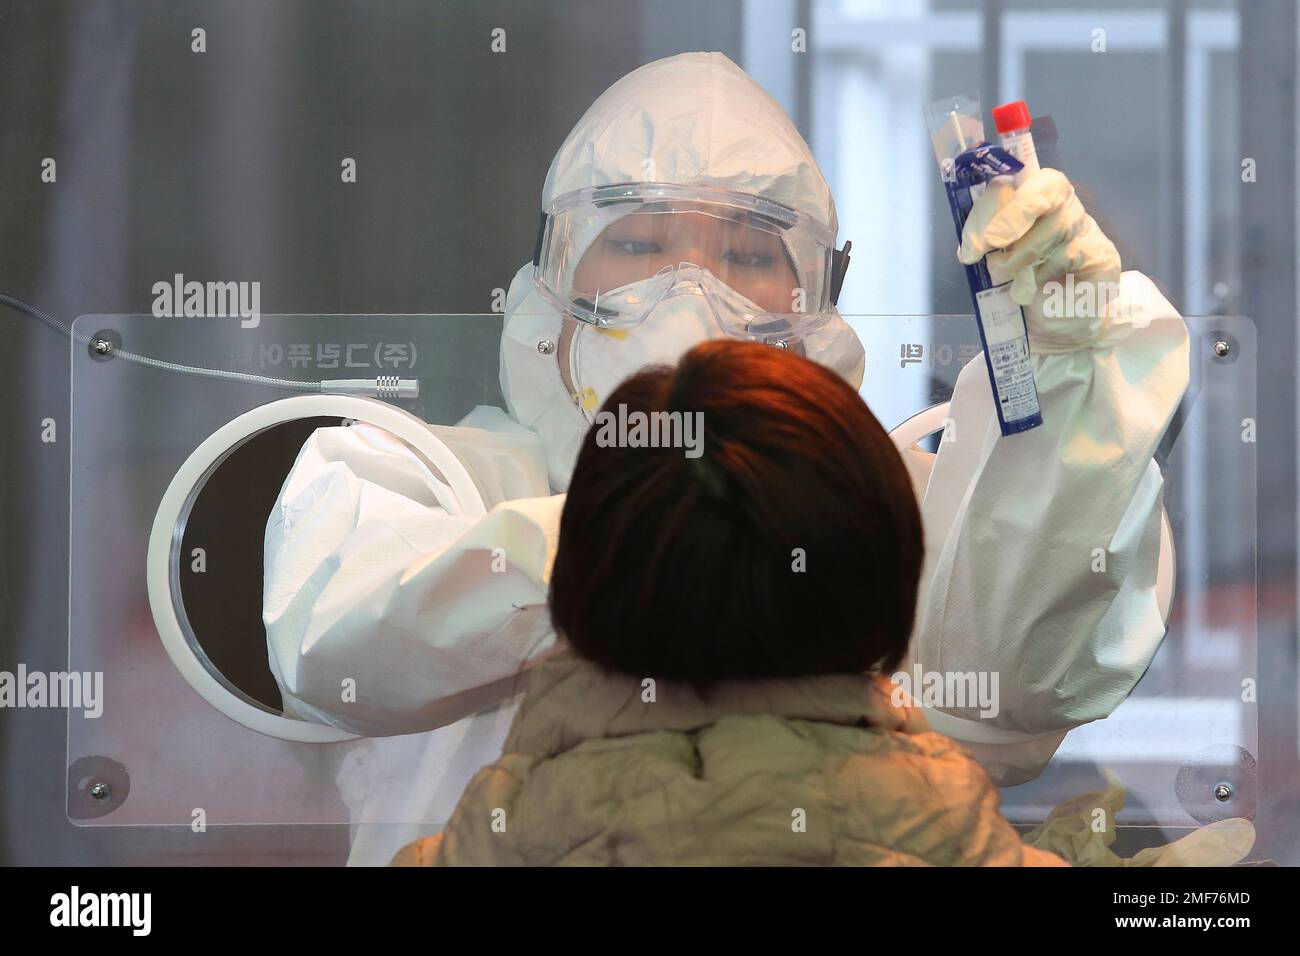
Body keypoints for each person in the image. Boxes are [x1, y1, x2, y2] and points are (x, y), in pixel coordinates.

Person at [262, 52, 1187, 864]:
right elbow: (337, 644)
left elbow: (1016, 690)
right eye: (636, 243)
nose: (690, 291)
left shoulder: (894, 501)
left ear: (812, 297)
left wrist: (1070, 379)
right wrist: (726, 520)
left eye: (748, 253)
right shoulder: (418, 479)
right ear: (553, 279)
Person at [392, 341, 1067, 866]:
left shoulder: (486, 839)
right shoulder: (953, 831)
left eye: (751, 254)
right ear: (887, 567)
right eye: (637, 241)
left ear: (577, 578)